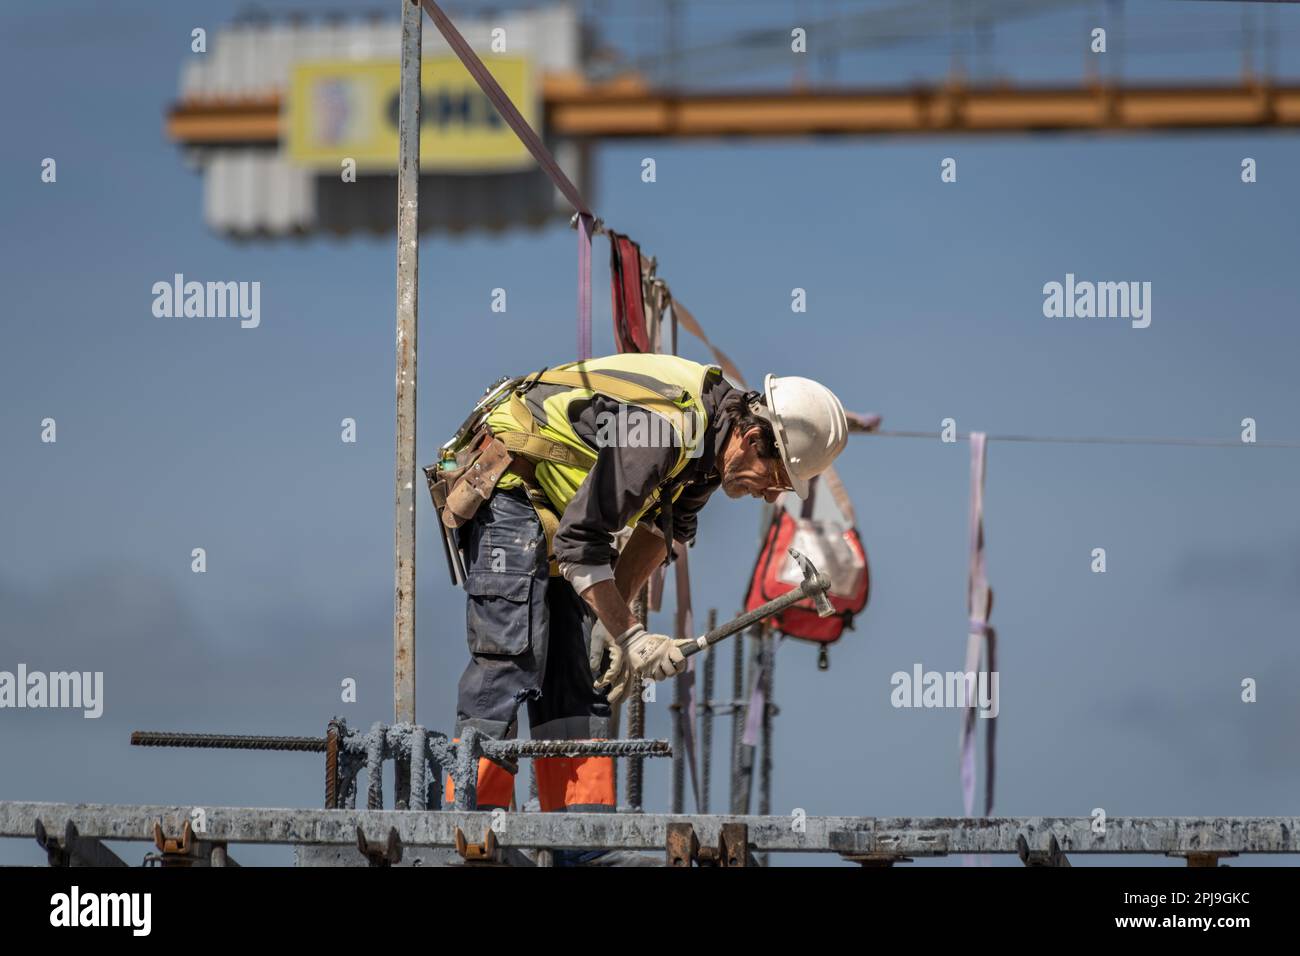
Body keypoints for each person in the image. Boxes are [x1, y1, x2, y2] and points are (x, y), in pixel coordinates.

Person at [442, 353, 848, 815]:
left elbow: (665, 529)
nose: (772, 496)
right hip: (512, 488)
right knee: (512, 659)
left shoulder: (711, 450)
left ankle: (580, 834)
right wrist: (632, 637)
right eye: (776, 479)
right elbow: (580, 540)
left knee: (577, 673)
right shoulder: (664, 431)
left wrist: (609, 624)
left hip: (560, 509)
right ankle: (472, 826)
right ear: (753, 438)